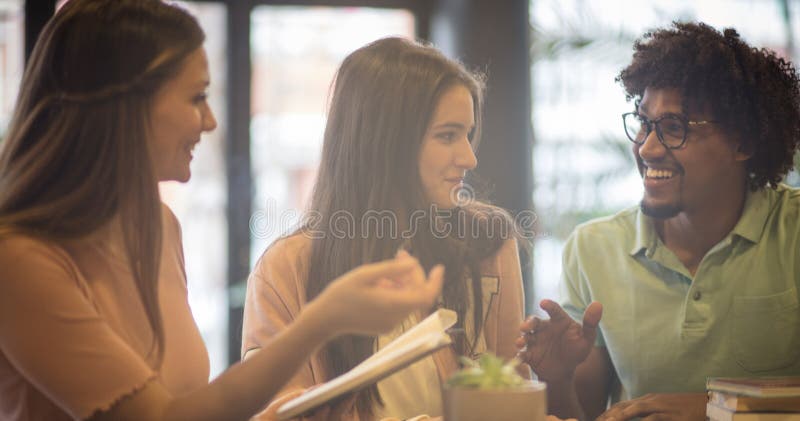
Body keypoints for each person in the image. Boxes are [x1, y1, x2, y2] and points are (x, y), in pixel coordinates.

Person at [0, 1, 445, 420]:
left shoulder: (159, 228)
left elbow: (186, 404)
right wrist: (324, 320)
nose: (210, 121)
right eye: (197, 97)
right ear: (126, 106)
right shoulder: (20, 260)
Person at [517, 21, 800, 421]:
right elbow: (583, 415)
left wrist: (713, 412)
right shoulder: (593, 249)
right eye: (644, 123)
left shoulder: (792, 233)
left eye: (673, 128)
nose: (647, 148)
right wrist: (558, 378)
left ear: (744, 142)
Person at [242, 37, 529, 421]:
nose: (469, 157)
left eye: (467, 134)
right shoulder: (286, 269)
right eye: (447, 136)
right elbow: (275, 412)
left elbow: (516, 396)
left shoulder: (489, 242)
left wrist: (559, 372)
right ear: (384, 141)